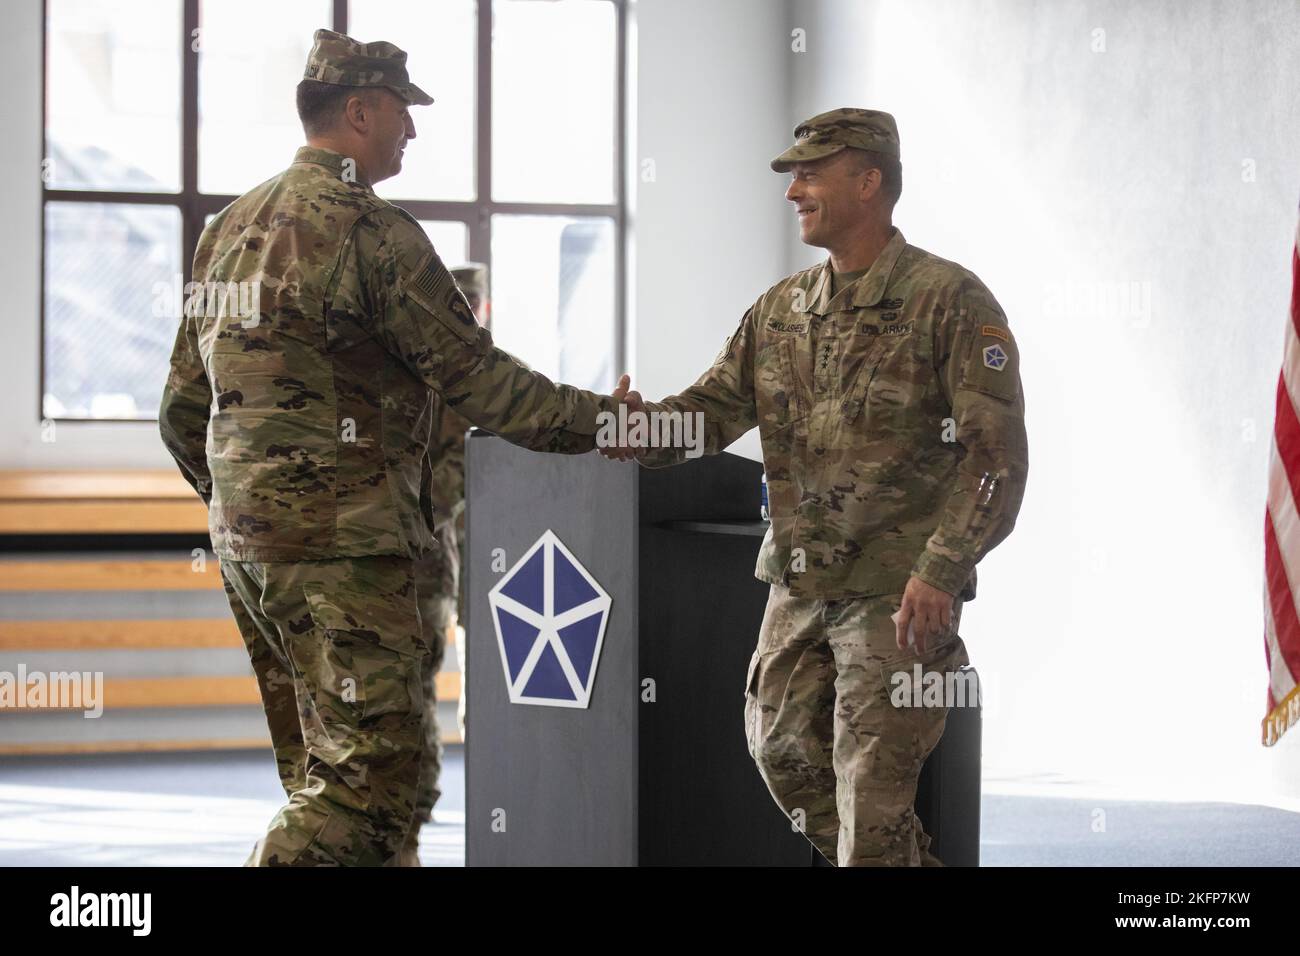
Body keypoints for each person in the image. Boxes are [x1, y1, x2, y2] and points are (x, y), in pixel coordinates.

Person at [159, 29, 631, 866]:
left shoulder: (228, 228)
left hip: (251, 550)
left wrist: (249, 504)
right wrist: (609, 423)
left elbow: (180, 408)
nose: (412, 131)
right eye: (403, 114)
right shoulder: (371, 232)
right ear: (360, 110)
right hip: (350, 548)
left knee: (327, 770)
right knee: (371, 782)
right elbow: (481, 383)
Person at [604, 108, 1028, 866]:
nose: (793, 190)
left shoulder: (950, 302)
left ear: (869, 182)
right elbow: (706, 416)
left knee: (871, 796)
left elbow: (994, 459)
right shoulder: (780, 310)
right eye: (792, 176)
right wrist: (639, 431)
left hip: (896, 598)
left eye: (810, 173)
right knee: (783, 756)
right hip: (799, 588)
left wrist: (943, 568)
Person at [405, 262, 487, 865]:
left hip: (478, 558)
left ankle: (488, 807)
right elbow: (449, 476)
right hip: (425, 559)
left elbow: (458, 469)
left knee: (484, 691)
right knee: (415, 684)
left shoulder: (476, 369)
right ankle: (412, 817)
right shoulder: (424, 367)